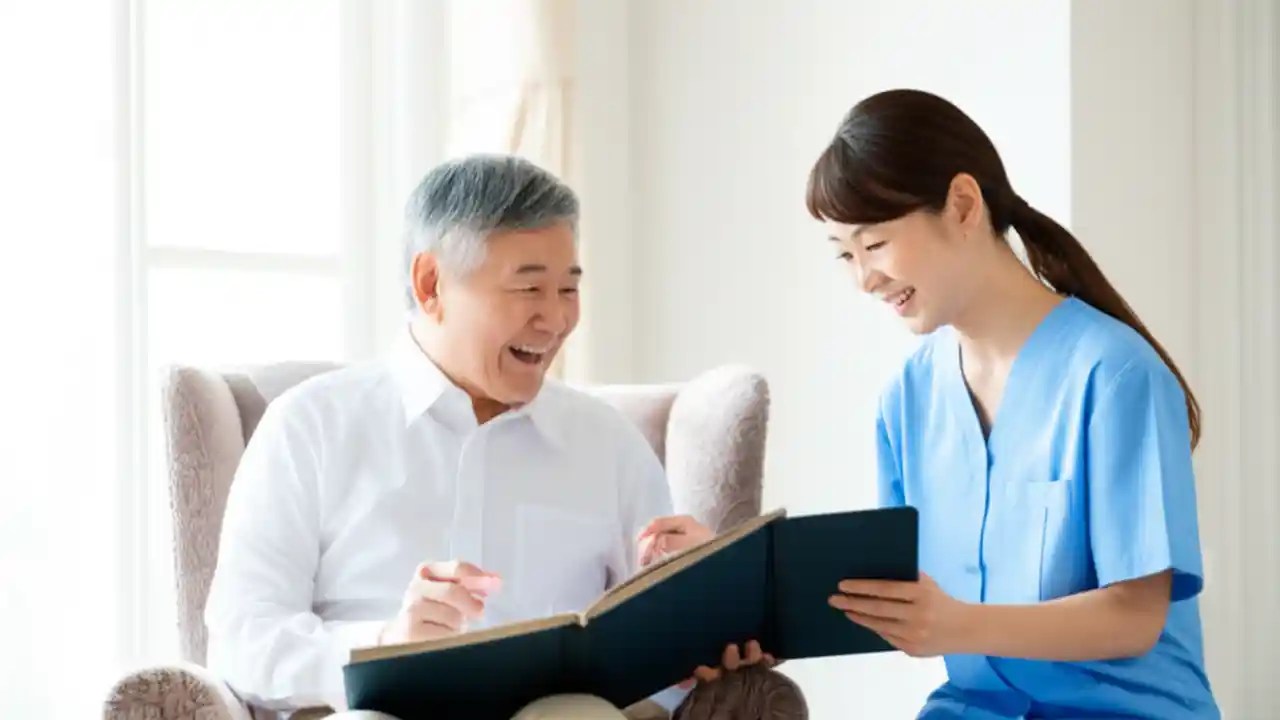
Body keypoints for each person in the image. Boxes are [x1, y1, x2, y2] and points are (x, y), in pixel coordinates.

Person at [204, 154, 759, 720]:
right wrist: (381, 647)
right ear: (431, 284)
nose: (555, 319)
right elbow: (243, 640)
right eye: (529, 288)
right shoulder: (310, 426)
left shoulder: (609, 444)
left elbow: (668, 664)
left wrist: (705, 612)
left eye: (567, 289)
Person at [802, 89, 1219, 718]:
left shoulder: (1114, 375)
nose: (864, 278)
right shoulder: (906, 401)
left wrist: (958, 624)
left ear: (962, 205)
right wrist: (735, 585)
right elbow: (897, 596)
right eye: (845, 254)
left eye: (876, 244)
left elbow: (1135, 617)